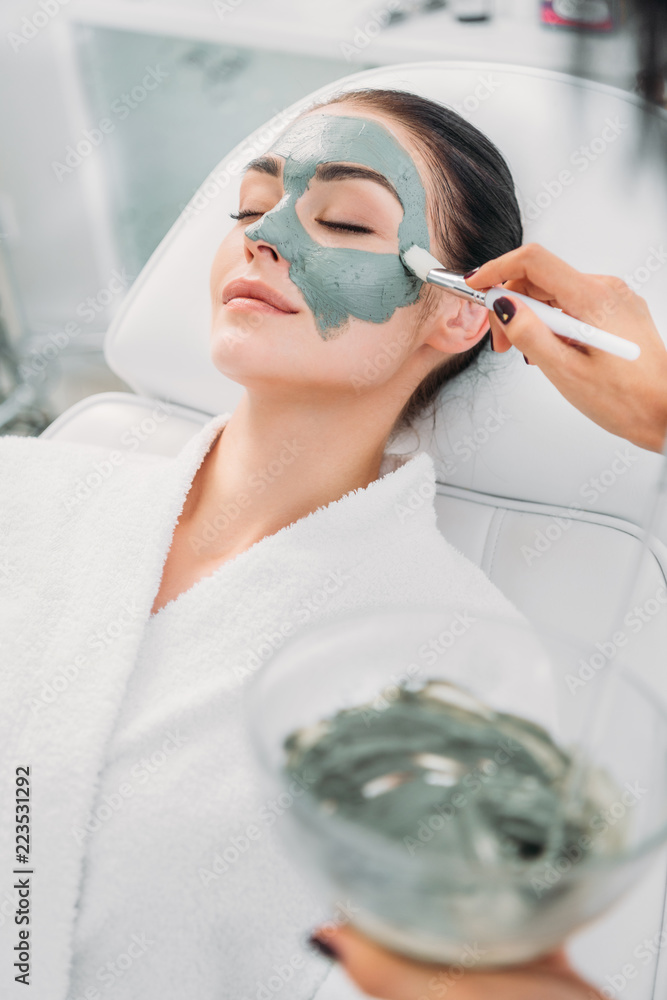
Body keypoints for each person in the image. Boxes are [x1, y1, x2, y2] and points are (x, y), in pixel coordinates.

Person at [0, 87, 567, 1000]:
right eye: (250, 207)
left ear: (462, 312)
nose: (263, 236)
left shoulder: (459, 675)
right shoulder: (23, 490)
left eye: (343, 221)